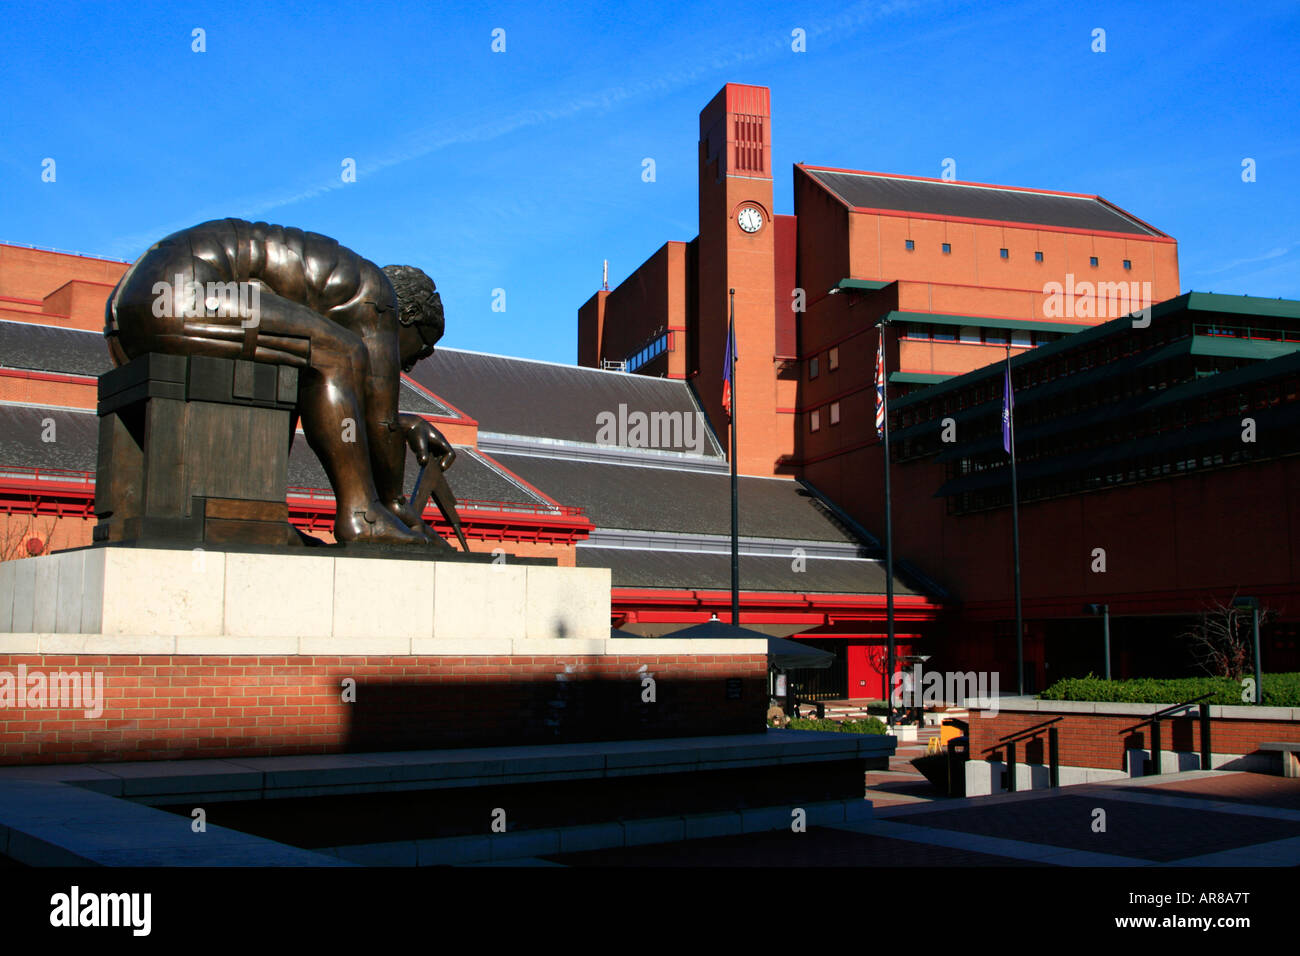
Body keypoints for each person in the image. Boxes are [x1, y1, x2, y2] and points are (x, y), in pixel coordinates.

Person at [105, 218, 453, 546]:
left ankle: (258, 520)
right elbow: (381, 418)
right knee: (338, 351)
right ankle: (361, 516)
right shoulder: (378, 297)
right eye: (420, 351)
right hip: (183, 293)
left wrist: (404, 424)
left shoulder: (336, 282)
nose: (408, 365)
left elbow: (348, 405)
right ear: (408, 317)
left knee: (304, 357)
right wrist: (394, 505)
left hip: (132, 307)